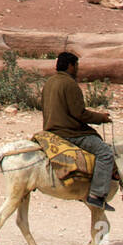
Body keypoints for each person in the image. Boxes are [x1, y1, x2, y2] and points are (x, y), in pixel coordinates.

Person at [41, 51, 115, 210]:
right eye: (76, 66)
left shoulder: (49, 83)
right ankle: (96, 194)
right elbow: (79, 113)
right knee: (105, 153)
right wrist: (101, 118)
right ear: (70, 66)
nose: (77, 70)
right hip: (68, 133)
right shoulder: (69, 84)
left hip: (50, 130)